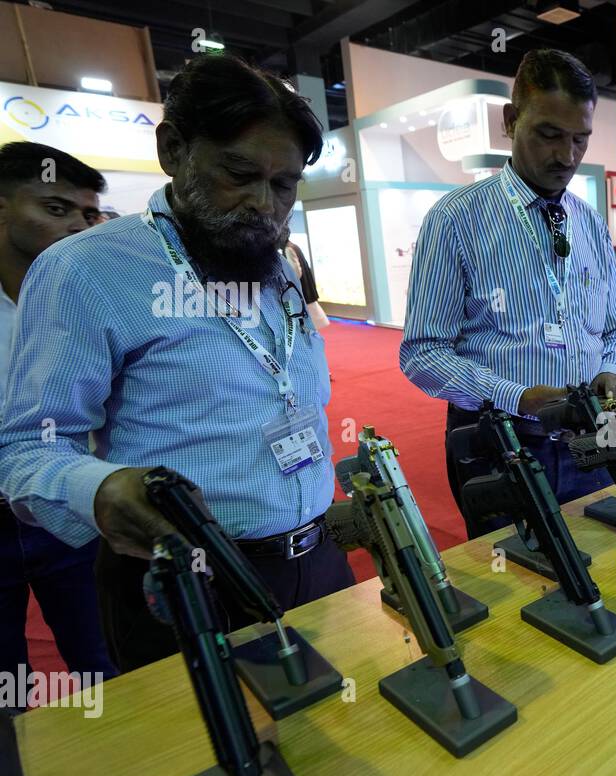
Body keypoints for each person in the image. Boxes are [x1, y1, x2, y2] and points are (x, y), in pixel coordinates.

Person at [0, 55, 355, 673]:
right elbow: (24, 448)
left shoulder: (275, 263)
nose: (262, 204)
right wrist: (102, 487)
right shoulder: (86, 271)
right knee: (210, 760)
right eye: (239, 173)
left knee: (333, 742)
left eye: (284, 185)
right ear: (173, 149)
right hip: (188, 582)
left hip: (316, 560)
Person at [400, 49, 616, 539]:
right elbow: (422, 353)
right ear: (511, 121)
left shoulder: (590, 222)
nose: (566, 156)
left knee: (602, 561)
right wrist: (516, 396)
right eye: (549, 135)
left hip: (591, 434)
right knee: (511, 585)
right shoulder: (456, 219)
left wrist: (615, 366)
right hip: (500, 441)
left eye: (580, 139)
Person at [0, 143, 116, 684]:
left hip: (72, 510)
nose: (78, 226)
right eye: (55, 208)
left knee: (109, 667)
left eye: (89, 214)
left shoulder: (95, 301)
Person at [278, 226, 329, 330]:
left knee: (307, 308)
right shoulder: (293, 246)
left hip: (300, 285)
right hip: (305, 282)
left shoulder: (288, 249)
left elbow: (296, 271)